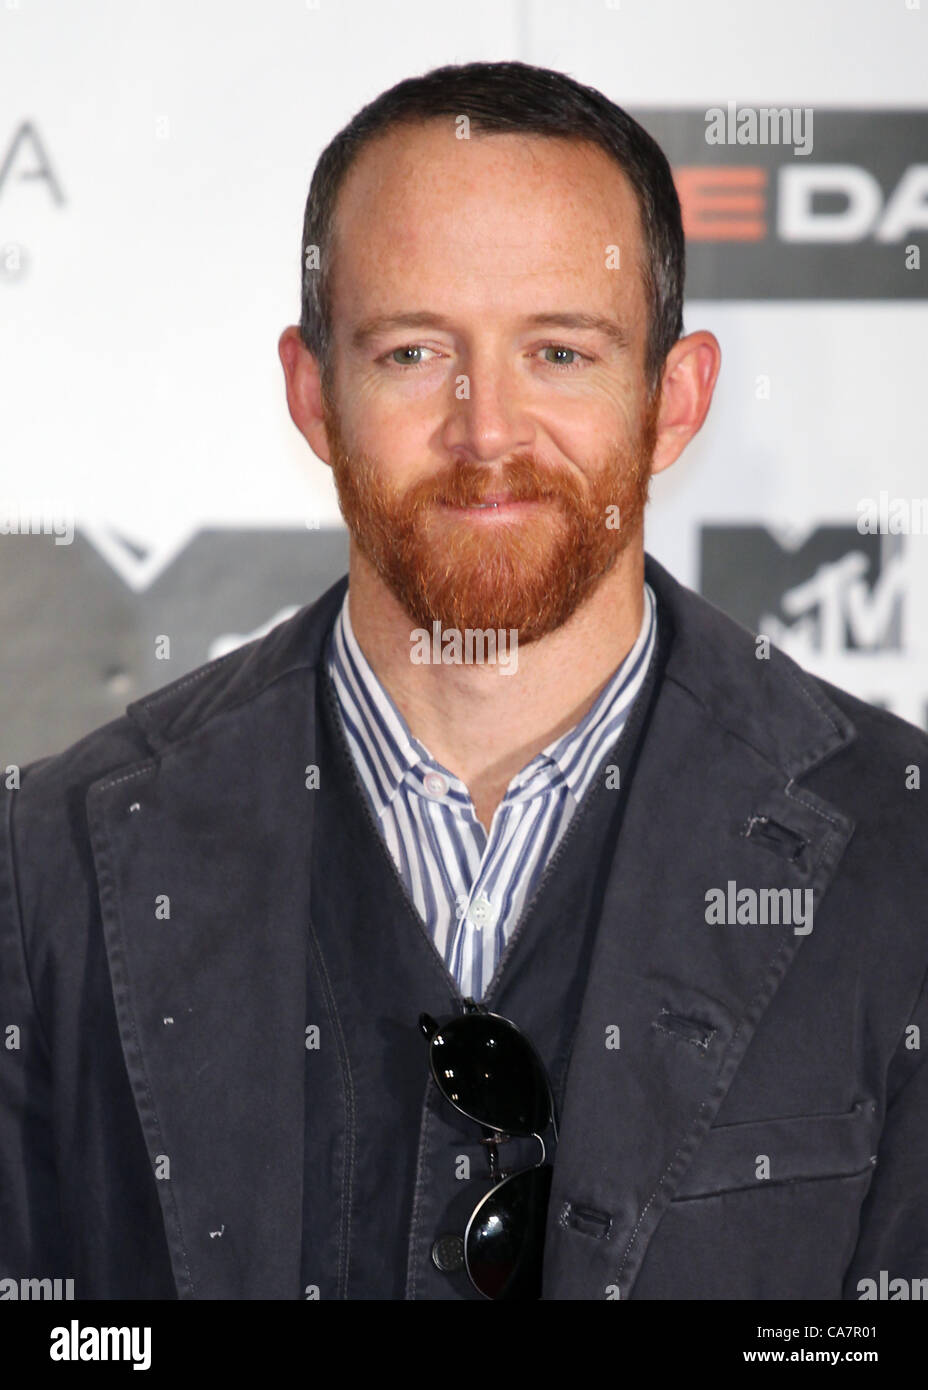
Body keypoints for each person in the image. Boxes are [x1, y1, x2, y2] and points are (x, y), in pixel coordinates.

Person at [1, 60, 926, 1302]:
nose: (486, 432)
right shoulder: (55, 861)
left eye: (558, 350)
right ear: (312, 392)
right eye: (411, 351)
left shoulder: (899, 853)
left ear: (673, 398)